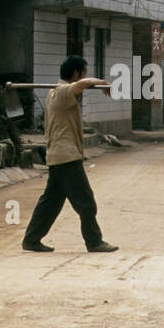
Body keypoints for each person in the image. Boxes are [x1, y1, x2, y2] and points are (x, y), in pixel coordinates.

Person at [21, 55, 119, 253]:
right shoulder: (64, 91)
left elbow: (80, 86)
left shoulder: (53, 93)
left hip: (57, 155)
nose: (84, 75)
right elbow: (82, 85)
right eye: (83, 71)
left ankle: (31, 239)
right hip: (66, 156)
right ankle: (94, 241)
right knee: (86, 202)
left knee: (50, 203)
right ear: (76, 73)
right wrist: (101, 82)